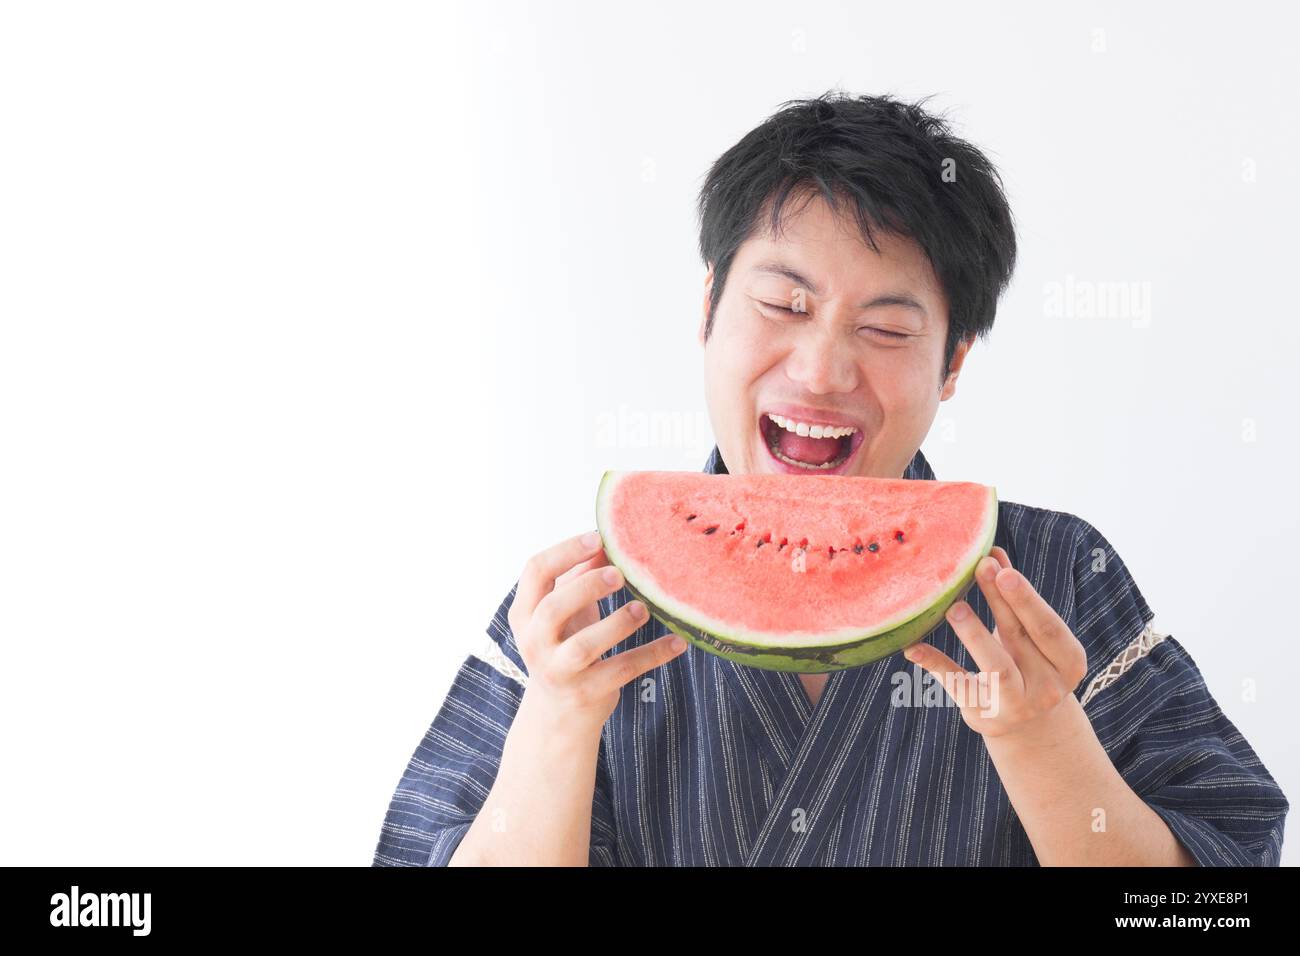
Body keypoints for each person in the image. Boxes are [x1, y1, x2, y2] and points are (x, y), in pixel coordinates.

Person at [372, 91, 1288, 866]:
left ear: (955, 363)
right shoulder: (583, 610)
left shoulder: (1055, 577)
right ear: (708, 310)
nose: (820, 371)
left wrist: (1041, 738)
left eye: (887, 330)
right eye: (783, 304)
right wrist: (559, 723)